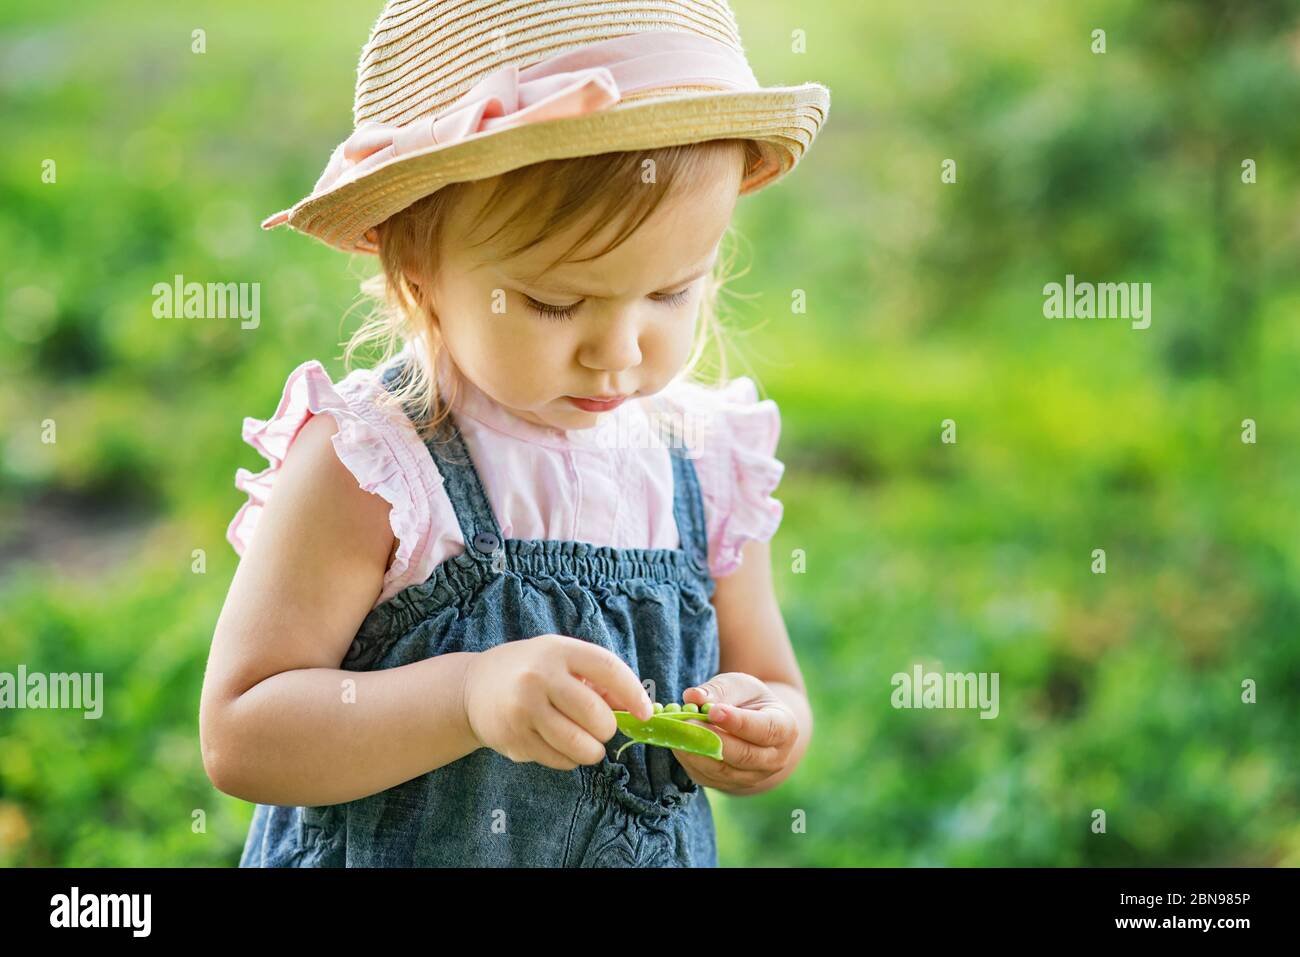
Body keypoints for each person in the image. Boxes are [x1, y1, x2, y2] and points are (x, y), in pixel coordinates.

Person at [200, 0, 831, 867]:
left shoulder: (707, 461)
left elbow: (772, 677)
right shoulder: (380, 466)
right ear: (416, 263)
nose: (617, 350)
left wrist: (757, 724)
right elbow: (243, 731)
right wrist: (466, 696)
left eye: (672, 291)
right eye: (555, 302)